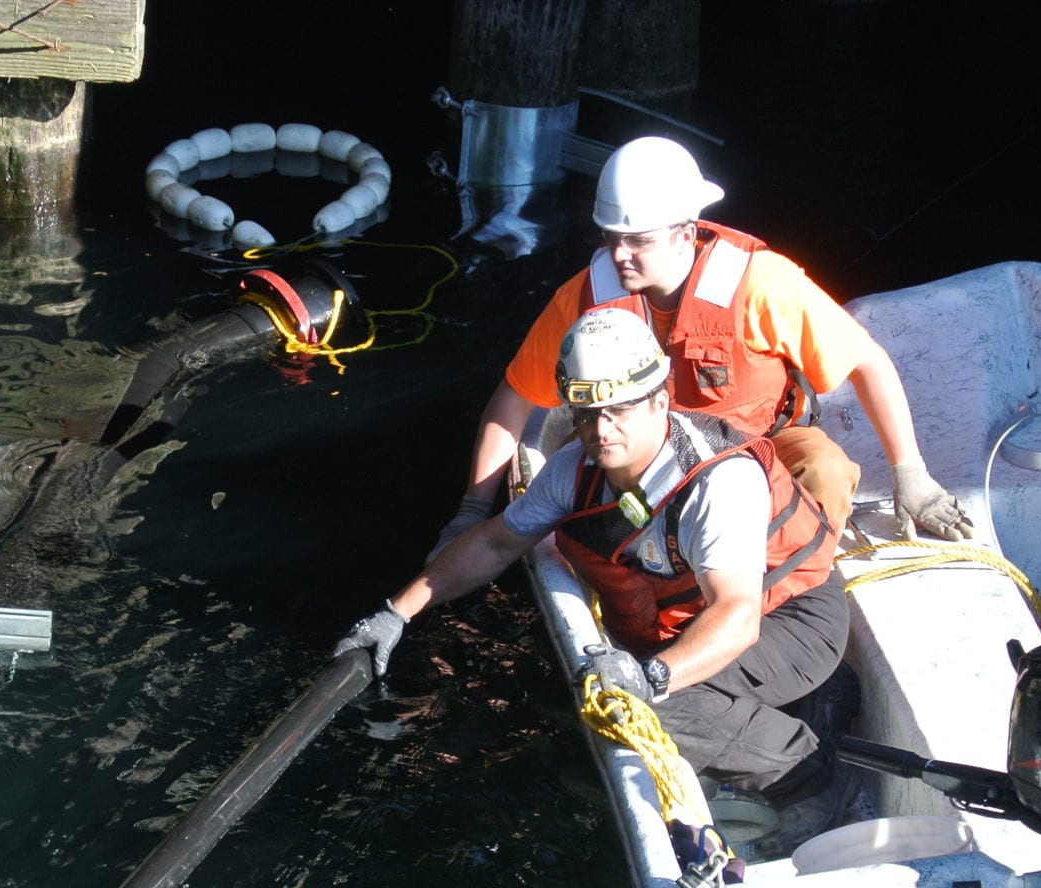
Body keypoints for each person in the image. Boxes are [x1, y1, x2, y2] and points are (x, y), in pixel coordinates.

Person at [349, 309, 850, 802]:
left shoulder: (716, 482)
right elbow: (494, 542)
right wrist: (397, 612)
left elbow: (737, 616)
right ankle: (802, 708)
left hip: (791, 617)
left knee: (643, 708)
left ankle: (802, 773)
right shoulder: (574, 469)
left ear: (660, 400)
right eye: (587, 414)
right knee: (561, 704)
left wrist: (649, 677)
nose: (601, 431)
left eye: (620, 410)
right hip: (696, 621)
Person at [430, 136, 971, 560]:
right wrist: (472, 508)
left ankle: (787, 587)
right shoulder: (585, 297)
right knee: (604, 513)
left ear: (686, 233)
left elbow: (868, 362)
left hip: (760, 447)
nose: (620, 255)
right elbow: (514, 399)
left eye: (638, 240)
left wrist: (911, 476)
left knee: (825, 472)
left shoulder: (762, 283)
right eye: (610, 238)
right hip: (643, 462)